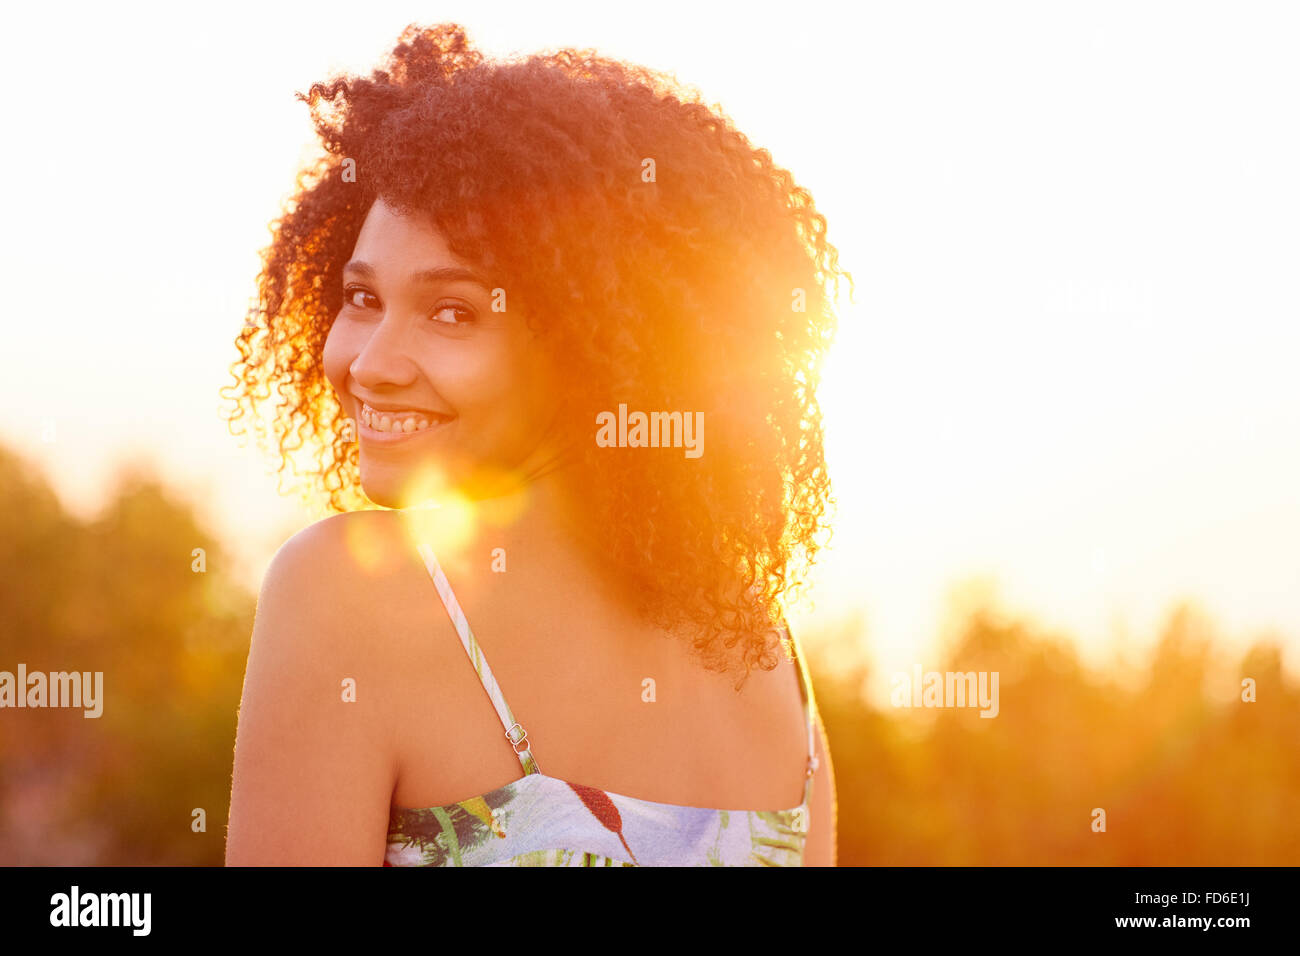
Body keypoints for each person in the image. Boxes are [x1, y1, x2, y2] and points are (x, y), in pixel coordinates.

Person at [223, 21, 849, 866]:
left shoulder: (348, 595)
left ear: (591, 349)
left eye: (453, 312)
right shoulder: (772, 659)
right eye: (362, 297)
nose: (369, 364)